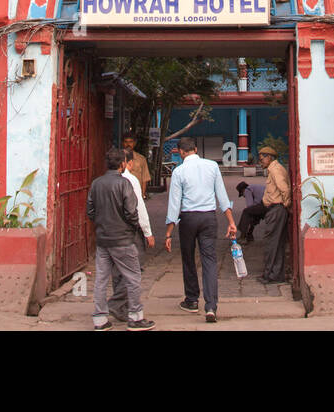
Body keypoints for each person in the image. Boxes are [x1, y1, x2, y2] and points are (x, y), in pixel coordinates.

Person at [165, 136, 236, 323]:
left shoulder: (178, 172)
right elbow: (222, 195)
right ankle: (211, 306)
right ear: (196, 149)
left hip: (188, 218)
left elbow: (174, 204)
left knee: (188, 258)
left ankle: (191, 300)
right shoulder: (212, 166)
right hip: (208, 217)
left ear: (181, 152)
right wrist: (231, 221)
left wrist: (169, 232)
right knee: (210, 260)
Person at [85, 148, 154, 331]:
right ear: (123, 164)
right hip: (123, 239)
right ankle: (135, 317)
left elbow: (90, 211)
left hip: (103, 240)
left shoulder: (96, 184)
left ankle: (100, 319)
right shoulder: (125, 184)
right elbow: (132, 212)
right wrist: (132, 229)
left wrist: (102, 224)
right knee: (133, 277)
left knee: (101, 279)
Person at [105, 149, 155, 324]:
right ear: (127, 163)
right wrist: (147, 232)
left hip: (109, 231)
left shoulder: (103, 181)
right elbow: (138, 208)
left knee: (117, 271)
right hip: (129, 232)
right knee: (135, 270)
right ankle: (118, 304)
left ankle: (122, 306)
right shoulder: (131, 180)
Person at [255, 145, 291, 284]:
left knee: (272, 244)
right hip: (276, 209)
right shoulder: (275, 169)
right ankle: (276, 274)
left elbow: (284, 189)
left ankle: (270, 275)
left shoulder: (275, 170)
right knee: (277, 243)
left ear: (269, 157)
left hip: (276, 209)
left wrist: (286, 204)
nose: (261, 162)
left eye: (262, 159)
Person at [122, 134, 151, 199]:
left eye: (130, 142)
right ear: (122, 143)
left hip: (136, 194)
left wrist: (142, 195)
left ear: (134, 143)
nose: (128, 144)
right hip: (122, 194)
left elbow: (144, 179)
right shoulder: (118, 158)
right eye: (126, 142)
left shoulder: (141, 159)